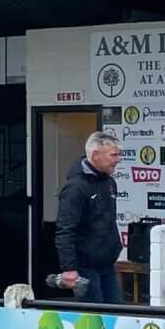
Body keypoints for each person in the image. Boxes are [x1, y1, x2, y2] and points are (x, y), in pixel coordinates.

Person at [53, 129, 125, 306]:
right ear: (95, 155)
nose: (117, 160)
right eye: (113, 155)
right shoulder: (75, 188)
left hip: (107, 264)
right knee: (94, 316)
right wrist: (69, 268)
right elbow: (65, 229)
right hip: (85, 266)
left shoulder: (109, 182)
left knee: (117, 312)